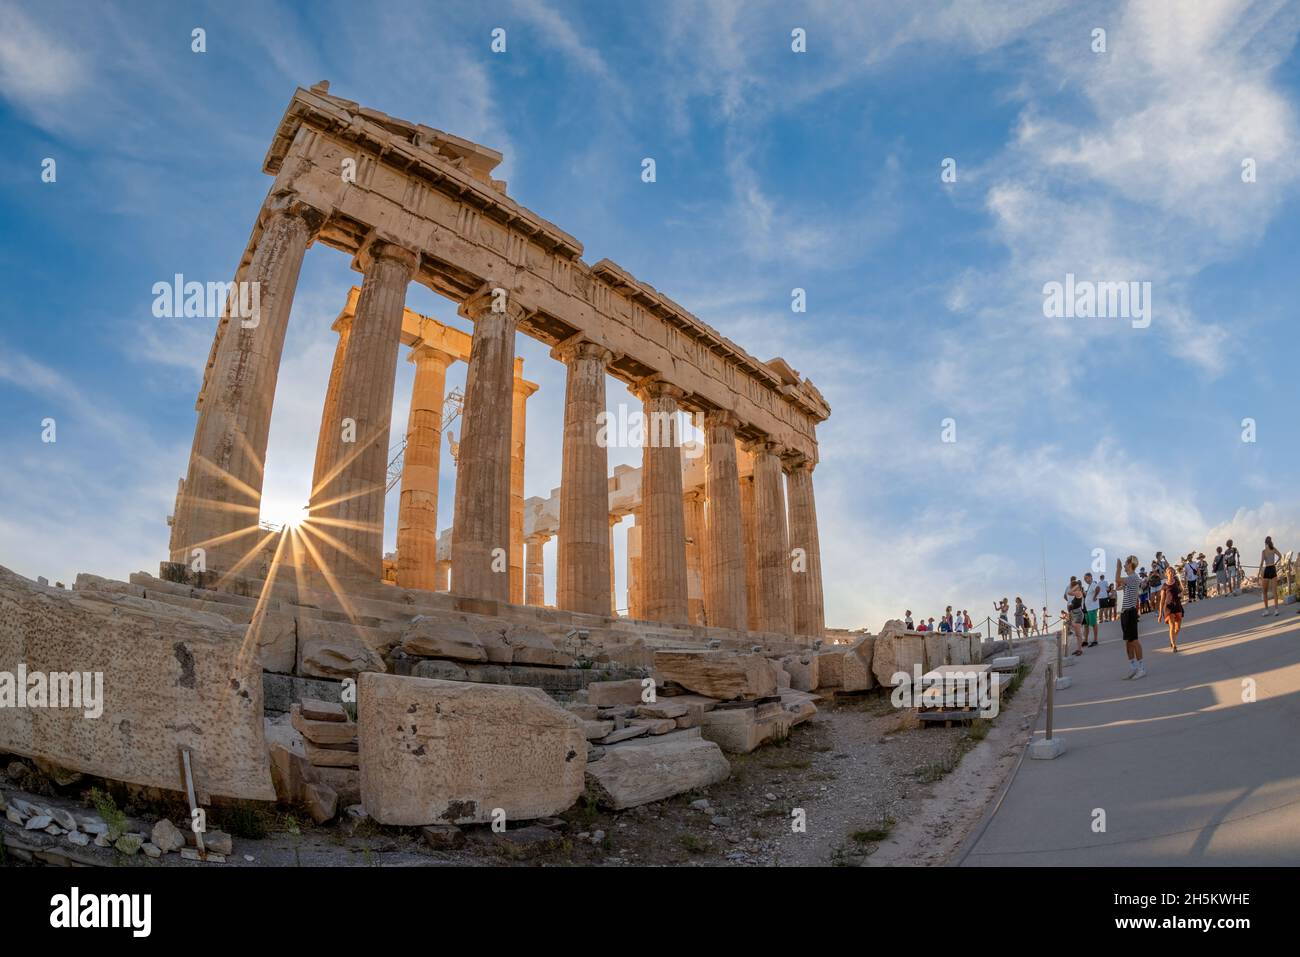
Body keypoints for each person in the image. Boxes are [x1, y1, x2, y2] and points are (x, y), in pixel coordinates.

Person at [1116, 556, 1147, 679]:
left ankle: (1141, 668)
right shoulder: (1129, 579)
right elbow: (1118, 585)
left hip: (1130, 612)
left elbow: (1117, 579)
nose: (1123, 566)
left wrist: (1117, 568)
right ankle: (1134, 667)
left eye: (1125, 564)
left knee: (1134, 640)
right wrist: (1119, 577)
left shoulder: (1133, 577)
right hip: (1125, 613)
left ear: (1130, 564)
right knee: (1128, 642)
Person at [1158, 564, 1184, 651]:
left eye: (1172, 572)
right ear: (1166, 574)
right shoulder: (1164, 586)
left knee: (1178, 628)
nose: (1171, 573)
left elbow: (1182, 591)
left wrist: (1181, 594)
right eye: (1169, 572)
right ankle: (1174, 645)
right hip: (1168, 607)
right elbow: (1162, 600)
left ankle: (1173, 640)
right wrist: (1160, 614)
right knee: (1172, 626)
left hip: (1177, 605)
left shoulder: (1176, 582)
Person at [1261, 536, 1282, 616]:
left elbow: (1261, 562)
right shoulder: (1273, 549)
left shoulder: (1264, 551)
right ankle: (1276, 610)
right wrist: (1276, 563)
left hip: (1267, 569)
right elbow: (1280, 556)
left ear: (1265, 543)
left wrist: (1260, 572)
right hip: (1273, 568)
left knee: (1265, 592)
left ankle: (1266, 610)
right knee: (1274, 591)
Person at [1065, 578, 1086, 655]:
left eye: (1071, 586)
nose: (1070, 587)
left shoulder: (1078, 592)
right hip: (1075, 614)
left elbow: (1069, 592)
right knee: (1077, 634)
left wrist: (1076, 585)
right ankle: (1078, 649)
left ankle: (1080, 650)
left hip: (1078, 614)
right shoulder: (1077, 592)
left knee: (1078, 633)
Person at [1082, 573, 1101, 646]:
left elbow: (1098, 588)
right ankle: (1086, 640)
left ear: (1090, 577)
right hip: (1088, 608)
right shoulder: (1090, 586)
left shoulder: (1093, 584)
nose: (1085, 580)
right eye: (1084, 579)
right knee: (1087, 625)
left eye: (1086, 578)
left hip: (1092, 608)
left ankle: (1095, 640)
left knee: (1093, 624)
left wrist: (1095, 596)